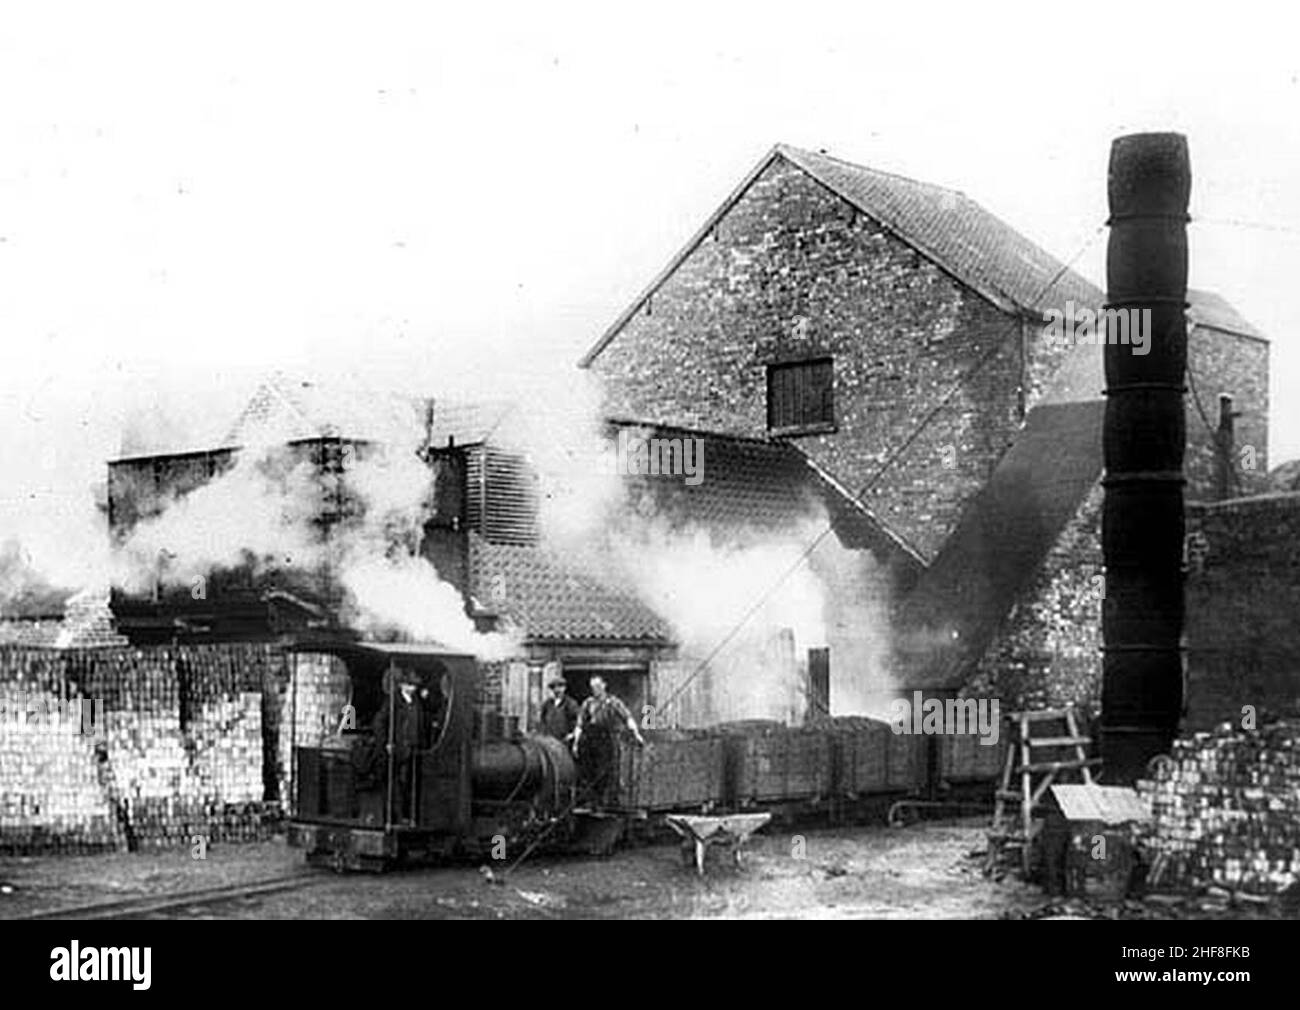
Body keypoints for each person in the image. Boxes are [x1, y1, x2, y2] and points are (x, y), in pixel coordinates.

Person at [572, 676, 646, 806]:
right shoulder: (588, 703)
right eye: (593, 687)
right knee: (589, 771)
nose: (595, 690)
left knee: (606, 771)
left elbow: (627, 717)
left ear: (604, 686)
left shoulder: (613, 702)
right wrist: (576, 742)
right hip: (591, 741)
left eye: (598, 686)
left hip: (608, 740)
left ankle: (607, 800)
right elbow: (580, 724)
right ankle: (592, 800)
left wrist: (636, 734)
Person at [370, 665, 430, 824]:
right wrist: (387, 743)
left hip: (414, 750)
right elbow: (379, 722)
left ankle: (410, 814)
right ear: (402, 685)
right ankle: (398, 815)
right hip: (398, 751)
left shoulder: (416, 701)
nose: (413, 688)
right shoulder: (393, 701)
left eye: (414, 685)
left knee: (411, 784)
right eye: (410, 685)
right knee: (398, 785)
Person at [538, 675, 580, 743]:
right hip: (549, 741)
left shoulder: (570, 704)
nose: (557, 690)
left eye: (560, 687)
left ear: (564, 688)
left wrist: (571, 734)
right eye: (554, 687)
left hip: (564, 741)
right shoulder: (547, 704)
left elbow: (576, 721)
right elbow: (542, 721)